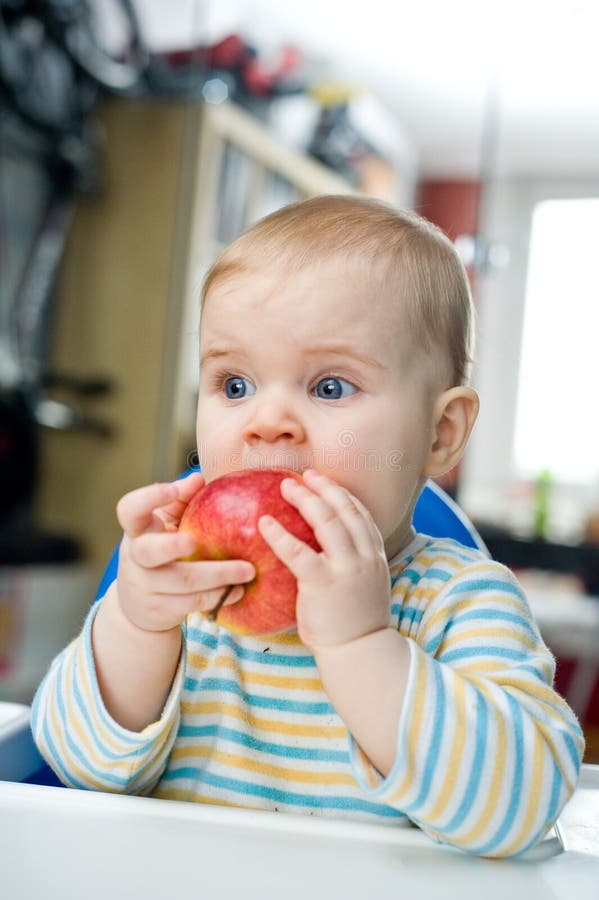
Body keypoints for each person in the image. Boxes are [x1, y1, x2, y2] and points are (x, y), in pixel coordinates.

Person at [32, 195, 583, 857]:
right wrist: (136, 625)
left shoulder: (459, 602)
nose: (266, 421)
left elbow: (519, 807)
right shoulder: (192, 593)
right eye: (233, 385)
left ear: (438, 434)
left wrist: (358, 644)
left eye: (328, 387)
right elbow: (70, 764)